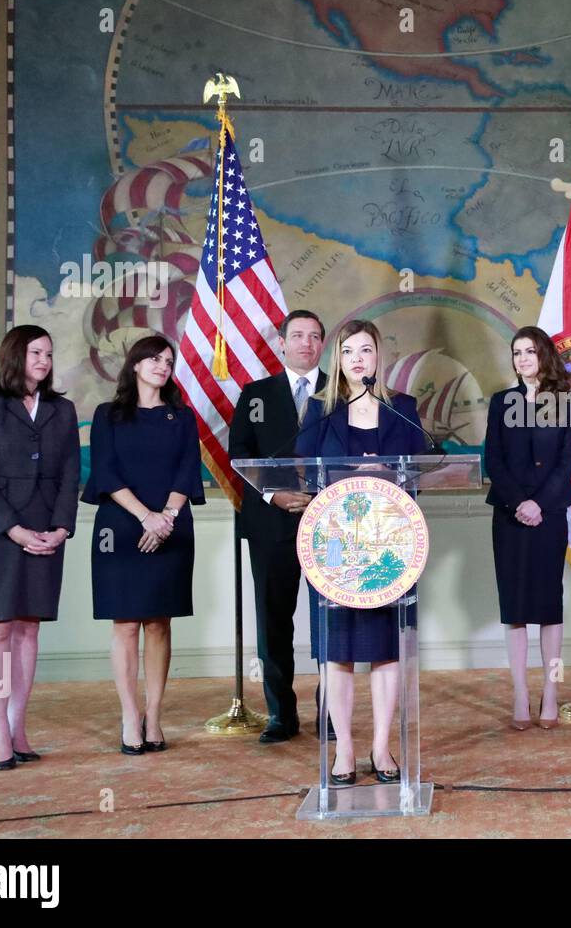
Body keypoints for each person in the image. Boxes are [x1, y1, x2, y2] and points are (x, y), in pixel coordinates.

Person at [296, 319, 427, 785]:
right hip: (334, 546)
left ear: (378, 357)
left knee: (384, 648)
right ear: (338, 359)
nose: (357, 358)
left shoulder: (405, 409)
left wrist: (389, 472)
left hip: (389, 546)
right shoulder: (320, 410)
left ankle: (381, 747)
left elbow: (424, 467)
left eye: (366, 350)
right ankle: (345, 751)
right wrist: (348, 471)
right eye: (348, 350)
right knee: (340, 649)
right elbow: (304, 472)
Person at [0, 326, 80, 769]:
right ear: (15, 355)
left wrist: (62, 528)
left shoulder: (62, 409)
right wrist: (12, 529)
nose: (44, 361)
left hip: (47, 530)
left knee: (29, 628)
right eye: (36, 352)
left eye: (49, 353)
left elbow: (71, 474)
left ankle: (18, 726)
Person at [82, 335, 205, 754]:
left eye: (168, 361)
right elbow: (105, 471)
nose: (162, 365)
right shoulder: (107, 415)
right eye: (153, 358)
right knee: (126, 623)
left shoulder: (182, 417)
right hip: (120, 527)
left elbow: (188, 471)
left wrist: (166, 518)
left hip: (172, 526)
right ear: (135, 364)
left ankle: (154, 716)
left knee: (158, 623)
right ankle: (129, 716)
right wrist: (146, 518)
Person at [227, 309, 327, 744]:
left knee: (331, 621)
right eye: (298, 335)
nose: (307, 343)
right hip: (271, 523)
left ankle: (332, 713)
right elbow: (240, 455)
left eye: (315, 336)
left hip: (331, 523)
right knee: (273, 620)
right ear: (282, 343)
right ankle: (281, 715)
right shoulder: (256, 394)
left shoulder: (341, 392)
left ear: (323, 345)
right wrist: (275, 495)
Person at [484, 327, 571, 731]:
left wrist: (538, 504)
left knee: (548, 605)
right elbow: (494, 459)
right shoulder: (501, 401)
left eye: (530, 351)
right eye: (516, 352)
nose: (522, 358)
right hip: (509, 514)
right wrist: (519, 503)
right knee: (516, 608)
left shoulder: (567, 401)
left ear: (544, 355)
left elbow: (566, 462)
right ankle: (520, 693)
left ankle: (551, 693)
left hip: (550, 514)